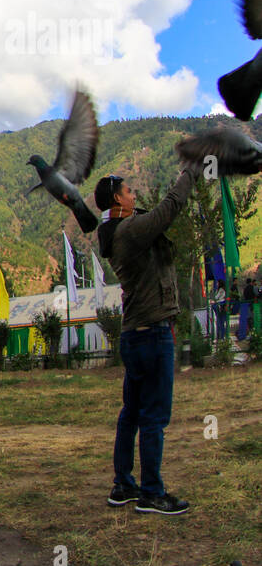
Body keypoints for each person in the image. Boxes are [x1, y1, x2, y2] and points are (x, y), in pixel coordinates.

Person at [95, 165, 199, 515]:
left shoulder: (116, 232)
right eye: (129, 192)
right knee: (154, 416)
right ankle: (152, 492)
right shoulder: (130, 230)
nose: (135, 194)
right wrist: (191, 171)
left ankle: (123, 483)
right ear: (117, 200)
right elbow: (169, 207)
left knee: (132, 413)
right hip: (153, 333)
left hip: (134, 335)